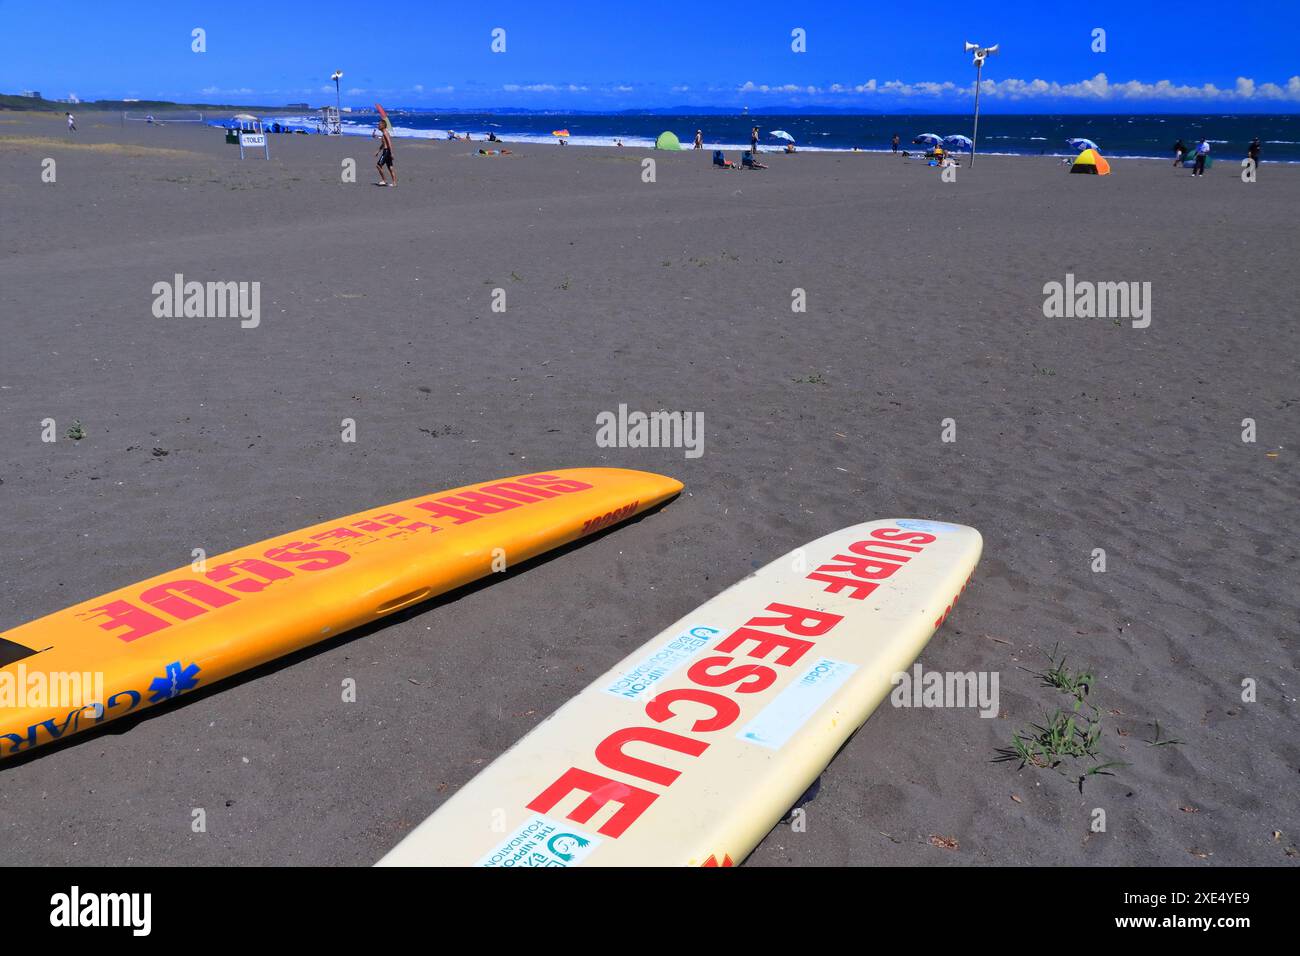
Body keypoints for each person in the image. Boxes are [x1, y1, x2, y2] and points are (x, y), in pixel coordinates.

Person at [375, 121, 396, 186]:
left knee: (378, 165)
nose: (378, 126)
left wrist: (391, 153)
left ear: (383, 126)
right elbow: (384, 144)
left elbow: (389, 143)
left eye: (379, 124)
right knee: (390, 167)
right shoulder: (384, 133)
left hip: (387, 151)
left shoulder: (385, 133)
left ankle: (384, 180)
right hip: (387, 151)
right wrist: (378, 151)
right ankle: (394, 183)